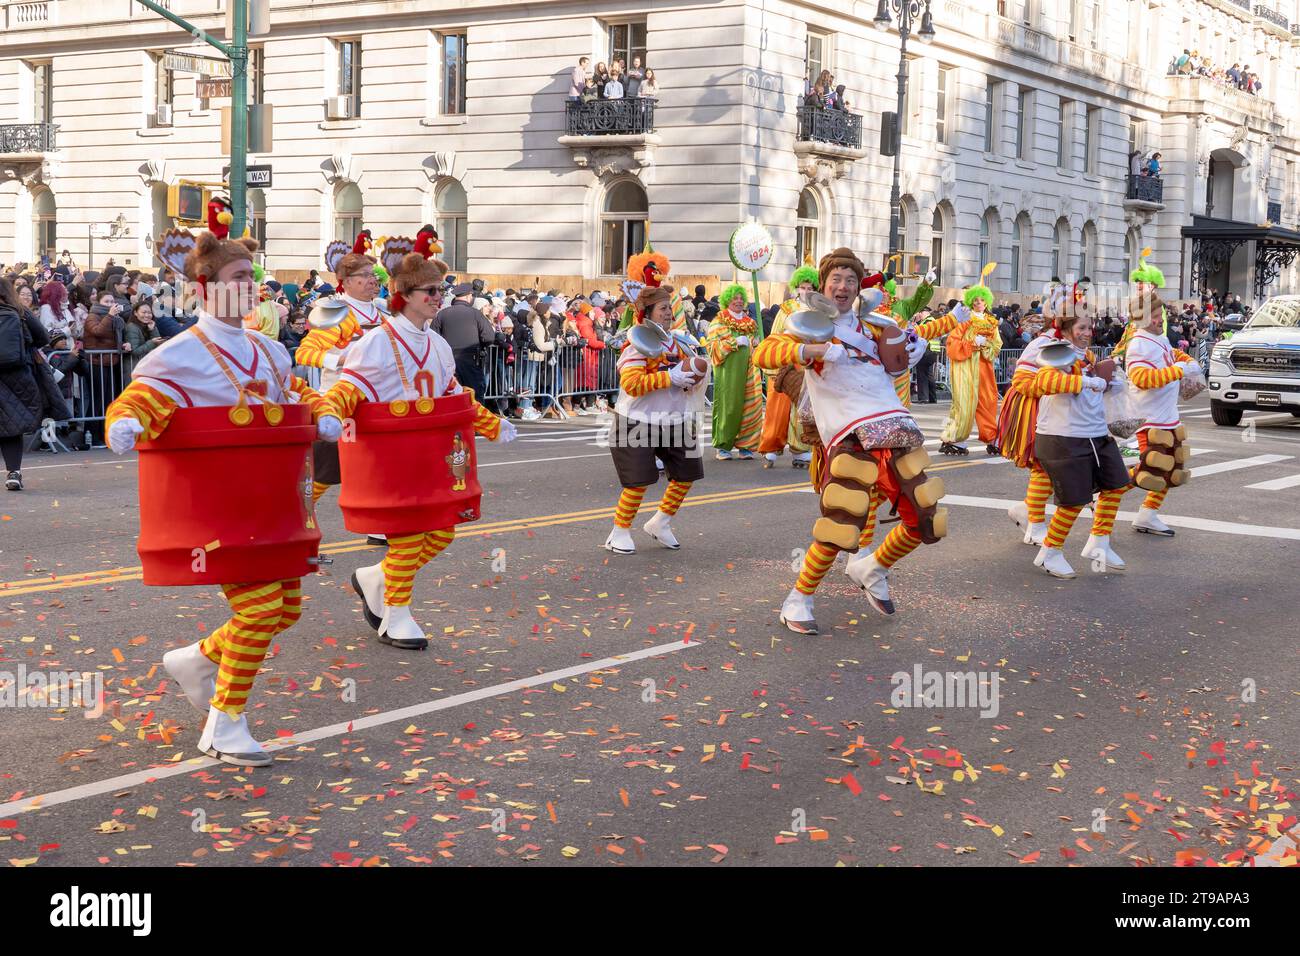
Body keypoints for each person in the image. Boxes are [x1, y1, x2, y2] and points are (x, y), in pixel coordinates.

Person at [105, 228, 341, 766]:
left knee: (286, 609)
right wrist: (123, 420)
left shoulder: (266, 347)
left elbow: (293, 390)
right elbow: (143, 396)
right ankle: (224, 722)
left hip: (274, 503)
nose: (253, 287)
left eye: (253, 279)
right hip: (220, 508)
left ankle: (195, 659)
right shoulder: (179, 353)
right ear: (206, 288)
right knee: (260, 610)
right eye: (240, 279)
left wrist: (322, 408)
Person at [328, 253, 516, 649]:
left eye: (440, 290)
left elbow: (453, 396)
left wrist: (491, 424)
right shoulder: (377, 342)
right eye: (430, 291)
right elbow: (346, 391)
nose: (438, 297)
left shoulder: (437, 343)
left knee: (443, 530)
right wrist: (328, 414)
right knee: (410, 537)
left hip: (433, 456)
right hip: (390, 458)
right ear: (404, 295)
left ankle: (376, 577)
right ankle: (396, 615)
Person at [753, 248, 946, 629]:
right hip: (846, 432)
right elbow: (766, 351)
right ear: (824, 284)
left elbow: (902, 347)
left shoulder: (874, 324)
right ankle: (799, 598)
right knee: (842, 523)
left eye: (851, 280)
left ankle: (872, 568)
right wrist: (809, 349)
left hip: (894, 425)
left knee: (927, 519)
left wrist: (911, 348)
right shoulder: (805, 322)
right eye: (836, 279)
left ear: (859, 287)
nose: (843, 286)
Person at [602, 284, 708, 554]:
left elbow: (693, 372)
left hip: (674, 418)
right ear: (647, 314)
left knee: (687, 472)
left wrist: (692, 380)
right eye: (663, 308)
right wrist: (668, 377)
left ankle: (660, 522)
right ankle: (619, 531)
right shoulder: (637, 346)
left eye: (670, 307)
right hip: (638, 419)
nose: (669, 313)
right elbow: (633, 383)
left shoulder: (680, 343)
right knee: (639, 480)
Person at [1026, 306, 1131, 578]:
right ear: (1068, 329)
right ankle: (1050, 552)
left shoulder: (1090, 356)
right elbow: (1042, 381)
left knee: (1116, 484)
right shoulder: (1056, 352)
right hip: (1063, 435)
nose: (1086, 333)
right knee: (1074, 501)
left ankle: (1099, 542)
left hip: (1094, 433)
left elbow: (1095, 387)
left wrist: (1110, 384)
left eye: (1089, 327)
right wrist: (1084, 383)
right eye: (1081, 328)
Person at [294, 239, 388, 507]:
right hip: (338, 403)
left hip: (374, 402)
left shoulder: (382, 312)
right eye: (366, 275)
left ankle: (378, 524)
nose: (373, 280)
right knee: (325, 470)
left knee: (375, 465)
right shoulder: (335, 312)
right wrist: (342, 357)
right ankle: (295, 515)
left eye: (375, 275)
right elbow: (305, 353)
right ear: (345, 280)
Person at [1124, 287, 1196, 538]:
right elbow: (1142, 378)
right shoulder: (1138, 345)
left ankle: (1148, 514)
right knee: (1149, 470)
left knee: (1173, 470)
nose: (1159, 319)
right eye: (1154, 315)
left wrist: (1186, 360)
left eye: (1160, 314)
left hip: (1168, 417)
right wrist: (1178, 371)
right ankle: (1106, 493)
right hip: (1149, 420)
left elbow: (1170, 353)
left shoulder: (1159, 338)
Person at [2, 278, 70, 490]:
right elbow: (42, 337)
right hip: (18, 374)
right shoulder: (20, 311)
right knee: (11, 426)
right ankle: (14, 473)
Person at [759, 262, 819, 469]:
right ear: (796, 288)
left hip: (806, 366)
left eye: (810, 288)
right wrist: (775, 368)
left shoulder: (818, 311)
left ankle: (800, 449)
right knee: (778, 409)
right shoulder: (786, 309)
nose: (806, 291)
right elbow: (775, 336)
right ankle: (770, 447)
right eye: (803, 287)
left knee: (801, 409)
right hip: (786, 364)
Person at [939, 267, 1003, 456]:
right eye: (975, 300)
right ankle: (954, 439)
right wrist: (972, 343)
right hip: (965, 367)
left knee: (987, 402)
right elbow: (952, 343)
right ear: (970, 301)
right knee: (964, 404)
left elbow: (997, 344)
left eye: (982, 300)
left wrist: (987, 346)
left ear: (987, 301)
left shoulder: (991, 322)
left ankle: (992, 438)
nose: (979, 303)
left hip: (984, 367)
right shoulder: (964, 320)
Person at [707, 283, 763, 460]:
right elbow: (713, 346)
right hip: (728, 371)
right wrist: (734, 342)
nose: (738, 301)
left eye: (741, 298)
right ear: (727, 301)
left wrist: (755, 343)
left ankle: (746, 445)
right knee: (728, 405)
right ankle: (723, 446)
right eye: (734, 298)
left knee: (750, 405)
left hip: (749, 370)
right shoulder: (719, 321)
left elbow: (756, 341)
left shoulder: (751, 322)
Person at [431, 281, 497, 407]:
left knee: (451, 397)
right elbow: (489, 337)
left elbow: (433, 337)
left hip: (447, 362)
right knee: (474, 398)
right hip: (470, 360)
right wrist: (482, 345)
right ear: (468, 296)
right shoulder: (475, 314)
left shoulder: (442, 314)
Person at [123, 298, 164, 367]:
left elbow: (158, 346)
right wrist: (152, 342)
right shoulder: (132, 327)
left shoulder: (150, 325)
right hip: (134, 366)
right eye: (144, 312)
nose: (147, 315)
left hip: (146, 366)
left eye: (149, 313)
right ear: (135, 313)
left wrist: (152, 330)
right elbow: (134, 351)